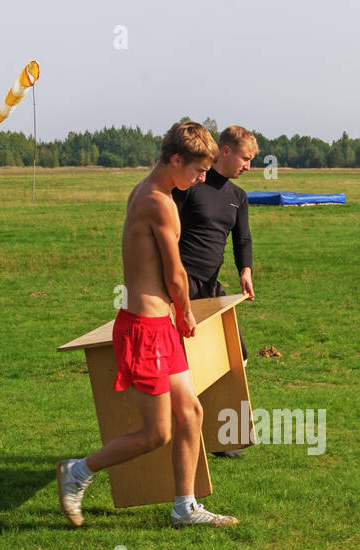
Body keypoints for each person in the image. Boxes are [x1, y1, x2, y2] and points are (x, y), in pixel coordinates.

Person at [58, 121, 239, 528]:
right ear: (176, 159)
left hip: (160, 327)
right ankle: (78, 471)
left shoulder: (146, 190)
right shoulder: (159, 202)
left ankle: (184, 507)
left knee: (190, 412)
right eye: (197, 169)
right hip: (145, 329)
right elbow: (175, 275)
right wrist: (187, 309)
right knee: (157, 432)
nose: (203, 177)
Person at [173, 125, 258, 457]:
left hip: (212, 287)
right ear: (225, 151)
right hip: (182, 284)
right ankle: (190, 435)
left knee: (238, 355)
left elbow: (242, 239)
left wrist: (245, 271)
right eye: (245, 158)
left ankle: (222, 436)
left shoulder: (238, 197)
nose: (248, 166)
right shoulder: (193, 185)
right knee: (190, 364)